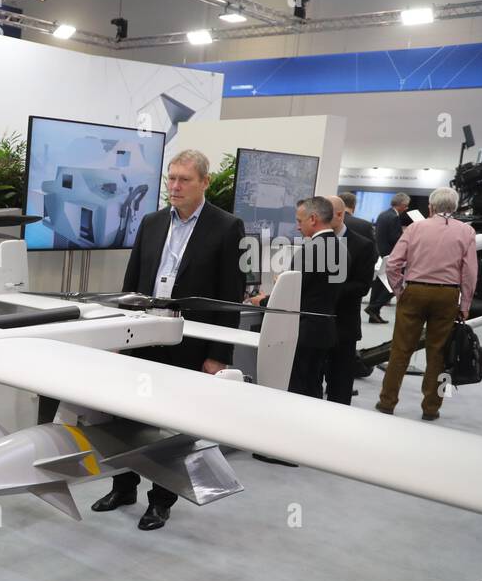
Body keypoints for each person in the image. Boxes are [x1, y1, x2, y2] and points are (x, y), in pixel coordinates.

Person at [88, 148, 246, 532]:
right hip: (141, 337)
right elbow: (130, 285)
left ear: (204, 182)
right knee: (124, 414)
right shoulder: (152, 221)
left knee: (174, 423)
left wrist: (218, 354)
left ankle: (161, 500)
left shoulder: (227, 227)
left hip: (189, 341)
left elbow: (230, 297)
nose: (174, 186)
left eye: (184, 179)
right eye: (171, 178)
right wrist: (117, 333)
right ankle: (123, 486)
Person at [375, 187, 478, 421]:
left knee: (400, 350)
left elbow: (393, 264)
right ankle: (431, 408)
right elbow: (470, 272)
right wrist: (466, 302)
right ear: (454, 208)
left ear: (431, 207)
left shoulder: (415, 228)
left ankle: (387, 402)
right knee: (439, 353)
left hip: (415, 290)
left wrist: (401, 290)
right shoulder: (466, 231)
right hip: (447, 295)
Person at [249, 197, 340, 398]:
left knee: (296, 390)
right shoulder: (340, 247)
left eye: (299, 221)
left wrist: (262, 300)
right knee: (313, 387)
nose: (297, 227)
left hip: (303, 332)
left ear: (313, 219)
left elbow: (293, 296)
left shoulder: (310, 250)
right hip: (324, 330)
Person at [322, 195, 376, 404]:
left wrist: (327, 290)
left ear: (340, 214)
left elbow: (362, 287)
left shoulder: (363, 246)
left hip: (343, 326)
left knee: (340, 386)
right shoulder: (314, 241)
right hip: (316, 325)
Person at [367, 193, 411, 323]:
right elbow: (394, 238)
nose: (406, 208)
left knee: (379, 285)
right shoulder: (393, 217)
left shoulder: (383, 214)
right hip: (391, 255)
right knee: (394, 285)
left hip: (381, 253)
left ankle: (373, 314)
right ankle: (373, 308)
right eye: (406, 206)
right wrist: (405, 236)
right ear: (402, 205)